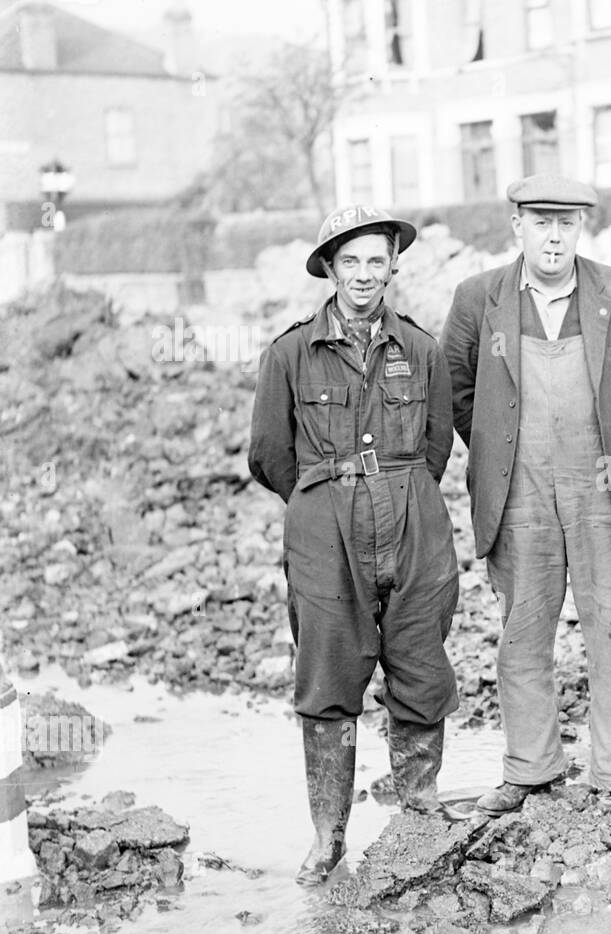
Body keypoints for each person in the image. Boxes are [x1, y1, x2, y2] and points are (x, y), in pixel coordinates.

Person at [249, 204, 463, 886]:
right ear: (330, 270)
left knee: (421, 666)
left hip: (412, 520)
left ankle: (418, 813)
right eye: (351, 262)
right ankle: (328, 836)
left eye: (376, 260)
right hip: (324, 528)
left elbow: (435, 445)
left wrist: (399, 498)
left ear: (392, 265)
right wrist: (323, 501)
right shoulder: (289, 353)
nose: (365, 275)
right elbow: (268, 455)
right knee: (328, 675)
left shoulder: (423, 349)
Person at [442, 175, 611, 821]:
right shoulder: (477, 297)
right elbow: (460, 389)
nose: (555, 234)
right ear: (517, 226)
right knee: (522, 630)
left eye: (566, 221)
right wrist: (504, 451)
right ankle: (530, 768)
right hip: (519, 488)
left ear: (580, 228)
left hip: (601, 484)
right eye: (541, 221)